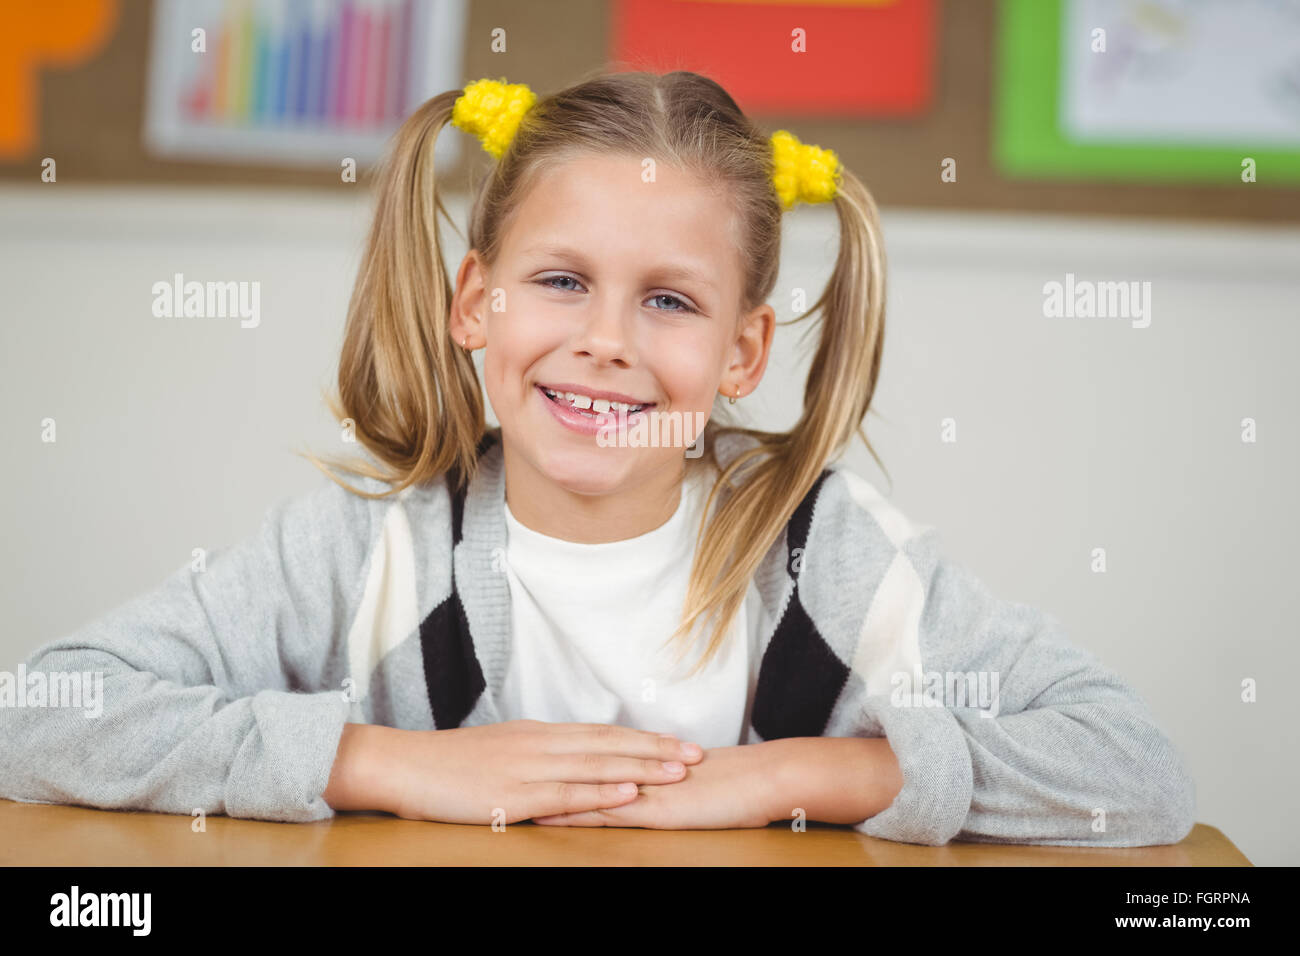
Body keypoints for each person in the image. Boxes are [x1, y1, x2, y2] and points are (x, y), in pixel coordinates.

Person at [0, 71, 1196, 845]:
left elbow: (1133, 768)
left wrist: (808, 774)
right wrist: (387, 761)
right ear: (478, 302)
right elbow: (43, 711)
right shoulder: (367, 549)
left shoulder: (827, 561)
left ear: (742, 350)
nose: (605, 343)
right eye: (562, 281)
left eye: (669, 301)